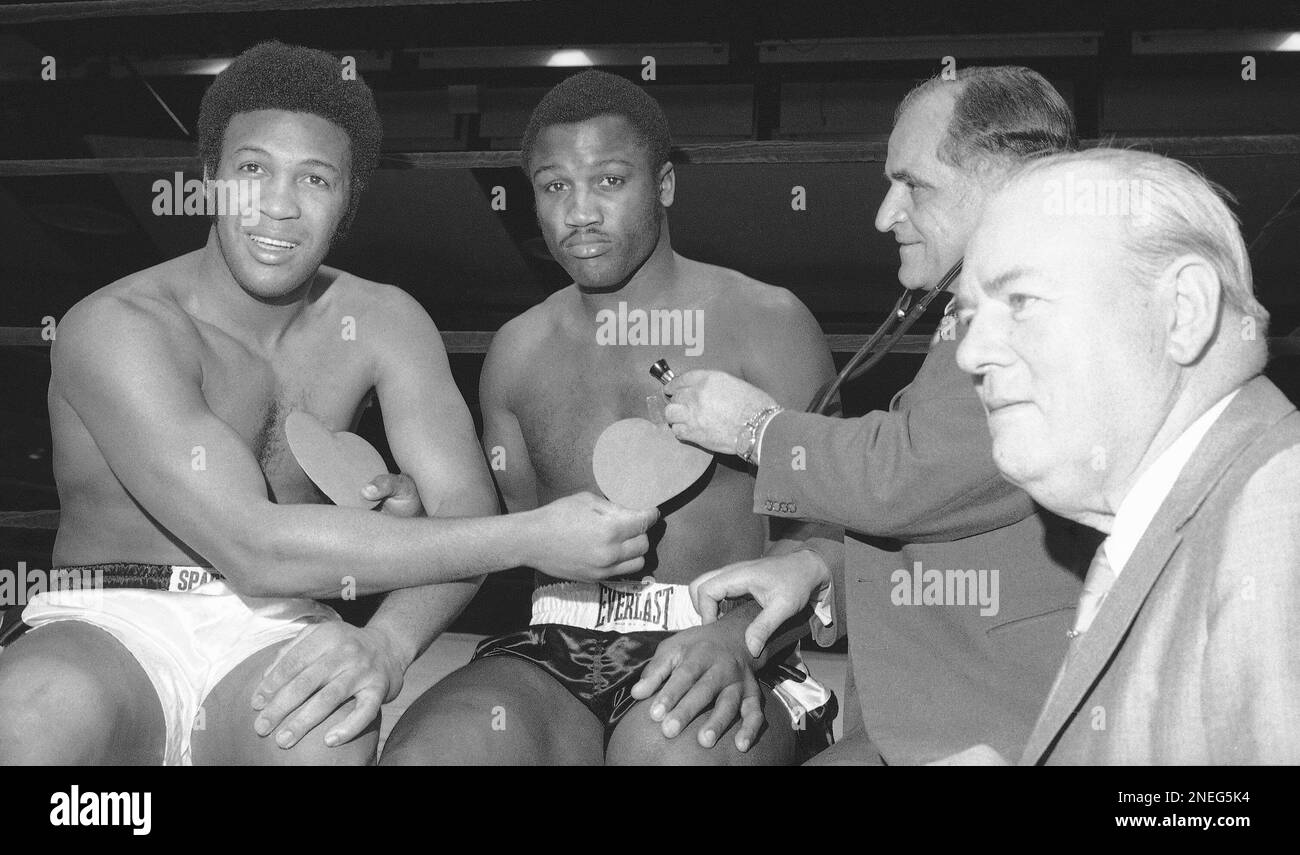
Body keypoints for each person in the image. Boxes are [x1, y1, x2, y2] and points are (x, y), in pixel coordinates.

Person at [0, 42, 655, 766]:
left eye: (315, 178)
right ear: (210, 176)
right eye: (253, 169)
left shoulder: (384, 320)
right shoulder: (118, 325)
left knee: (328, 735)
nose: (278, 205)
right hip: (113, 618)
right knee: (33, 722)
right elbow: (252, 545)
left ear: (348, 201)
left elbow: (463, 509)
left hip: (278, 628)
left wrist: (387, 640)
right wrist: (533, 535)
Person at [381, 69, 840, 765]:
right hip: (553, 643)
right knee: (431, 756)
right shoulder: (517, 350)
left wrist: (741, 634)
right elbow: (512, 535)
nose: (580, 213)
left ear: (663, 186)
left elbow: (828, 530)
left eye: (609, 181)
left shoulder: (765, 322)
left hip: (723, 634)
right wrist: (417, 522)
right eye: (555, 185)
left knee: (671, 755)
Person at [663, 66, 1095, 764]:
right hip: (942, 703)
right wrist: (818, 566)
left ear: (1010, 181)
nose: (885, 213)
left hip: (1013, 724)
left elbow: (912, 473)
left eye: (914, 184)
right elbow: (969, 507)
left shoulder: (1045, 308)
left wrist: (755, 430)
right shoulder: (993, 301)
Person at [949, 148, 1299, 764]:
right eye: (969, 315)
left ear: (1183, 311)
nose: (969, 353)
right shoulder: (1198, 515)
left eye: (1021, 301)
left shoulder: (1279, 512)